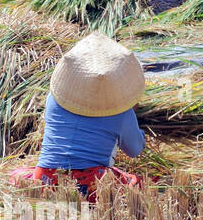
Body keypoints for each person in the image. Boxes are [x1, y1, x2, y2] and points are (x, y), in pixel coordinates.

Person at [9, 32, 146, 204]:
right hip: (91, 185)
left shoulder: (55, 99)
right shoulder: (121, 112)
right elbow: (135, 150)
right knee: (142, 184)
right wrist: (138, 131)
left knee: (19, 175)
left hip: (46, 180)